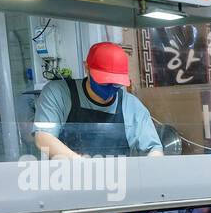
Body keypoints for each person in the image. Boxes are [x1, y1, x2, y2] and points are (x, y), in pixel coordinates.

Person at [33, 42, 163, 159]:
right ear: (87, 68)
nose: (110, 88)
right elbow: (43, 138)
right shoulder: (58, 93)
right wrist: (81, 164)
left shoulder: (132, 106)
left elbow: (154, 150)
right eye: (104, 81)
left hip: (119, 181)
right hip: (68, 180)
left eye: (116, 84)